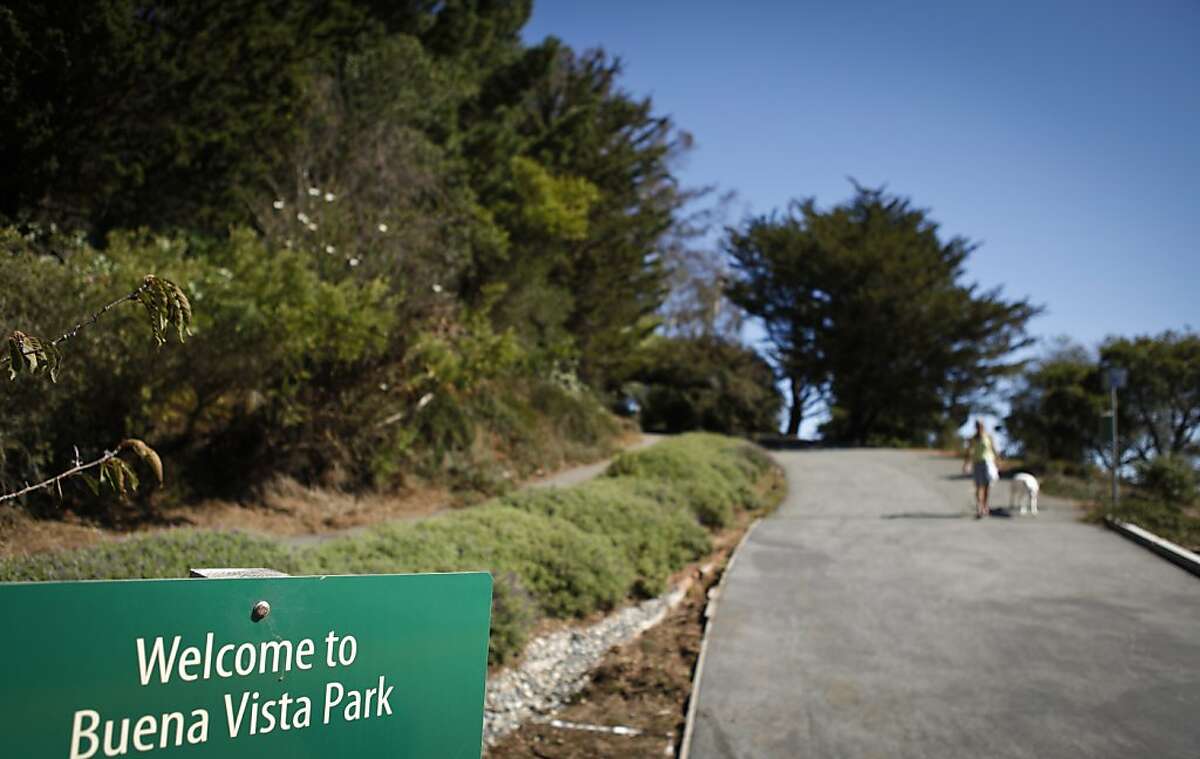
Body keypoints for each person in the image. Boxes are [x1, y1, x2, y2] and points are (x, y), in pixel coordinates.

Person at [962, 419, 1000, 518]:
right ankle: (979, 507)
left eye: (980, 425)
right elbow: (969, 452)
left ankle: (985, 505)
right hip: (977, 463)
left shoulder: (988, 437)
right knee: (979, 486)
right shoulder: (973, 439)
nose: (979, 427)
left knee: (987, 486)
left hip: (988, 463)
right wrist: (966, 464)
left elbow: (994, 449)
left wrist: (998, 462)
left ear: (983, 426)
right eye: (977, 425)